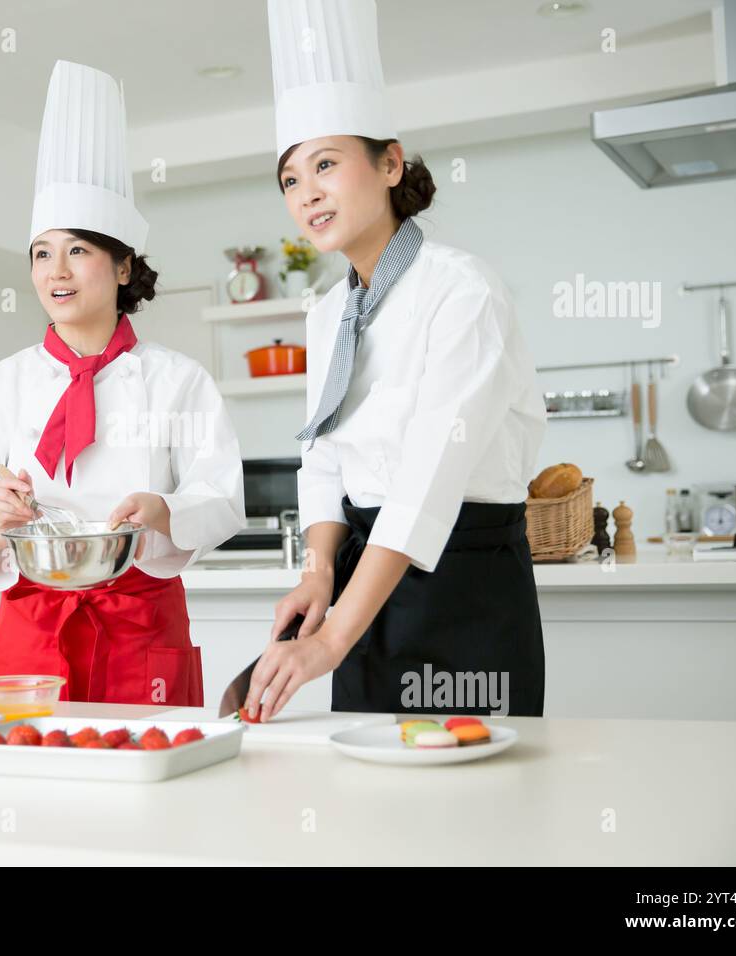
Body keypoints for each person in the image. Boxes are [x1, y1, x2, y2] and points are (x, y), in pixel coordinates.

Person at [246, 0, 547, 720]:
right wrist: (320, 576)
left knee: (476, 805)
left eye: (325, 165)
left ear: (389, 164)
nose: (307, 191)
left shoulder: (462, 290)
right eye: (290, 179)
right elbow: (323, 460)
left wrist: (330, 641)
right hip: (362, 594)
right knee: (372, 814)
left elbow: (426, 484)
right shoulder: (327, 313)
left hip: (463, 586)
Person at [0, 61, 245, 706]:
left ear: (123, 264)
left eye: (77, 250)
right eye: (42, 253)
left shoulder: (178, 381)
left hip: (141, 624)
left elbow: (220, 495)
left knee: (151, 783)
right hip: (33, 624)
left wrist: (165, 510)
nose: (57, 271)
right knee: (33, 778)